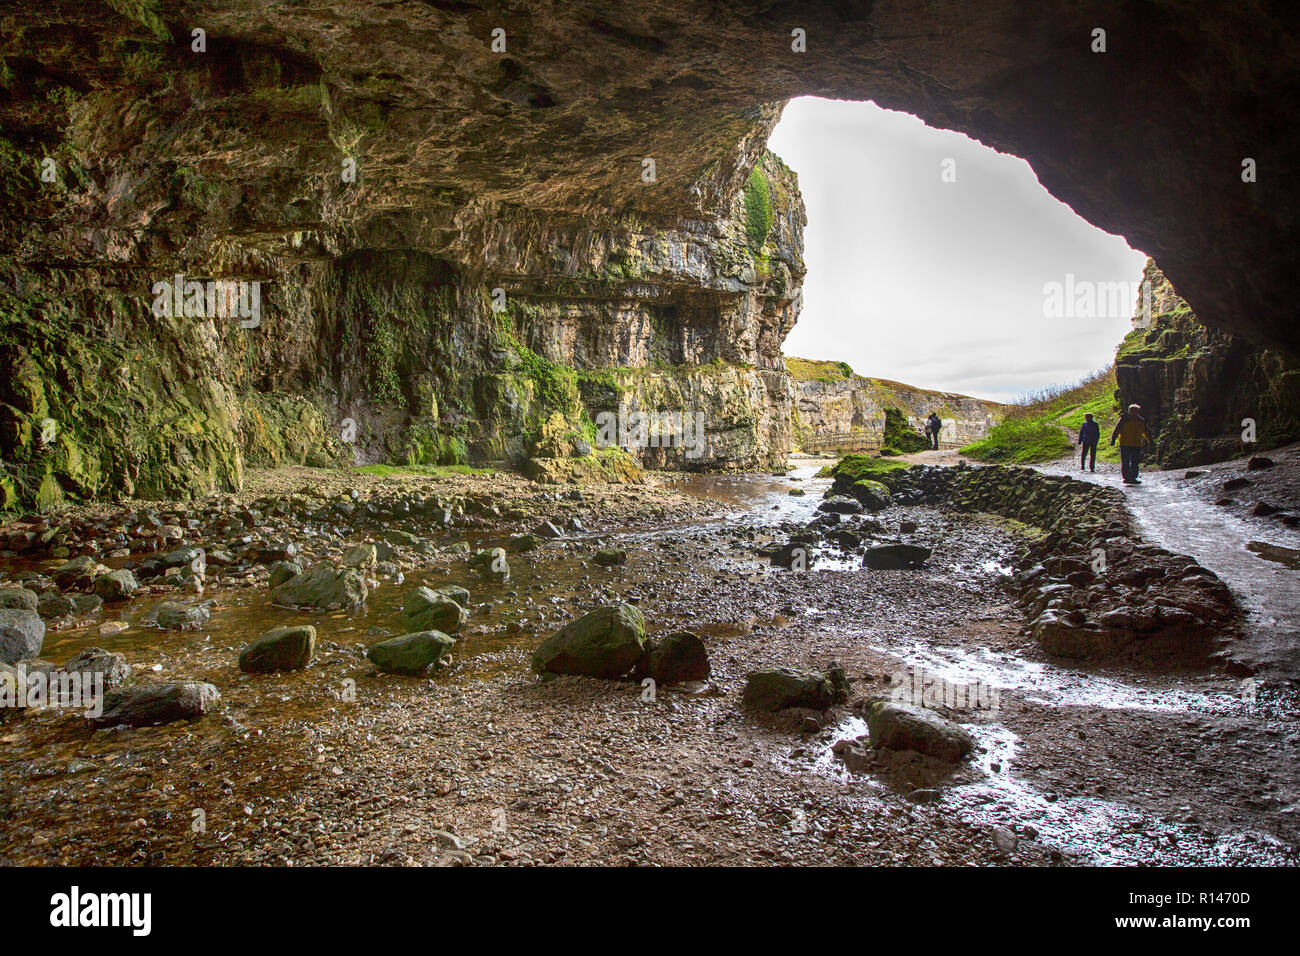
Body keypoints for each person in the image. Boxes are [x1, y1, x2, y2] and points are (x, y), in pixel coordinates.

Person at [1110, 403, 1149, 484]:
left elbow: (1146, 432)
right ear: (1129, 411)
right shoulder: (1124, 419)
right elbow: (1117, 430)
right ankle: (1127, 478)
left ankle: (1133, 477)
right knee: (1125, 462)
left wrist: (1150, 441)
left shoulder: (1141, 421)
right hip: (1125, 444)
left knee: (1135, 462)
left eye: (1136, 411)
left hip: (1136, 444)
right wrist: (1113, 439)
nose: (1134, 413)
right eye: (1133, 411)